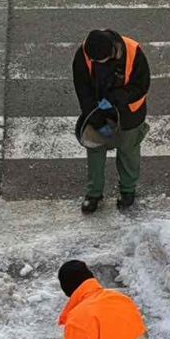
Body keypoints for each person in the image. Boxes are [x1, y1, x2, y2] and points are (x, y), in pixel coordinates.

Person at [72, 29, 151, 213]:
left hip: (129, 113)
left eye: (100, 61)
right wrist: (97, 120)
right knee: (95, 149)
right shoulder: (83, 55)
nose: (95, 63)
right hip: (98, 110)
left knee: (128, 151)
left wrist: (117, 97)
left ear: (112, 52)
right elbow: (83, 92)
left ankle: (128, 190)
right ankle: (94, 193)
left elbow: (142, 86)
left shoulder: (133, 51)